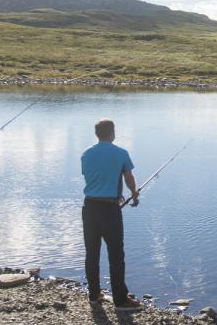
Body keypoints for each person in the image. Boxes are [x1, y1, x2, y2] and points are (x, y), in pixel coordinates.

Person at [81, 118, 145, 312]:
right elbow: (129, 178)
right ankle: (120, 299)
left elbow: (89, 176)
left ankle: (94, 294)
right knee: (116, 254)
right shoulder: (121, 153)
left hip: (89, 207)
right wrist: (134, 193)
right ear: (113, 132)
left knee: (92, 253)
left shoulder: (86, 153)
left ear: (96, 133)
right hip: (110, 209)